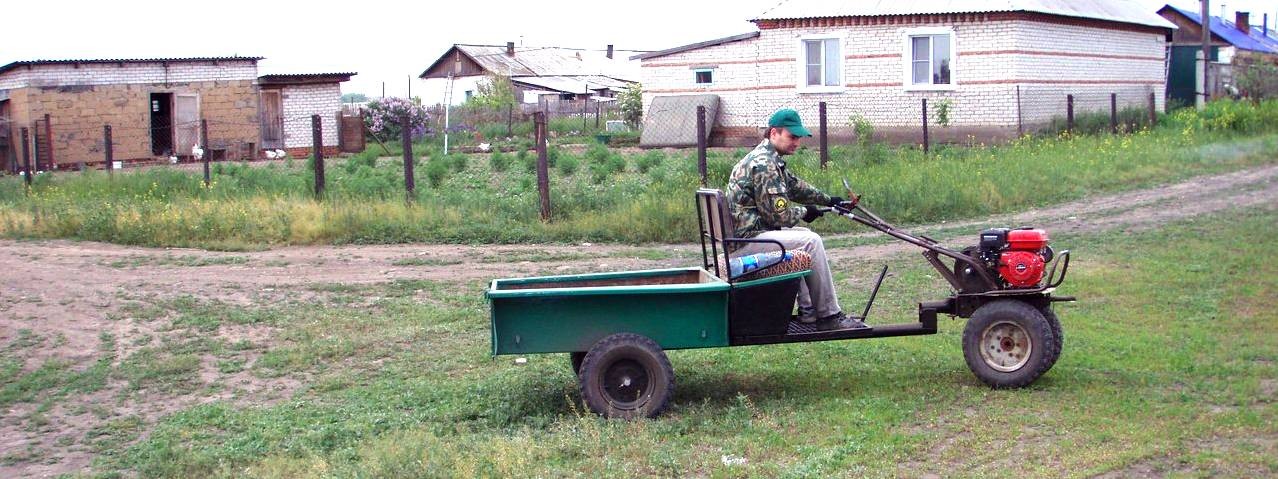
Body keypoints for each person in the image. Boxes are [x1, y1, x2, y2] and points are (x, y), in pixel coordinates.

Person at [725, 108, 867, 331]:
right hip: (747, 244)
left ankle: (809, 311)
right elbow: (778, 215)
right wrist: (806, 212)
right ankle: (830, 316)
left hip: (748, 237)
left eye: (798, 137)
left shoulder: (769, 159)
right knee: (811, 242)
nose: (797, 142)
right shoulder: (764, 164)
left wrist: (829, 200)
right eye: (792, 136)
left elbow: (795, 187)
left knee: (805, 236)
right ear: (774, 133)